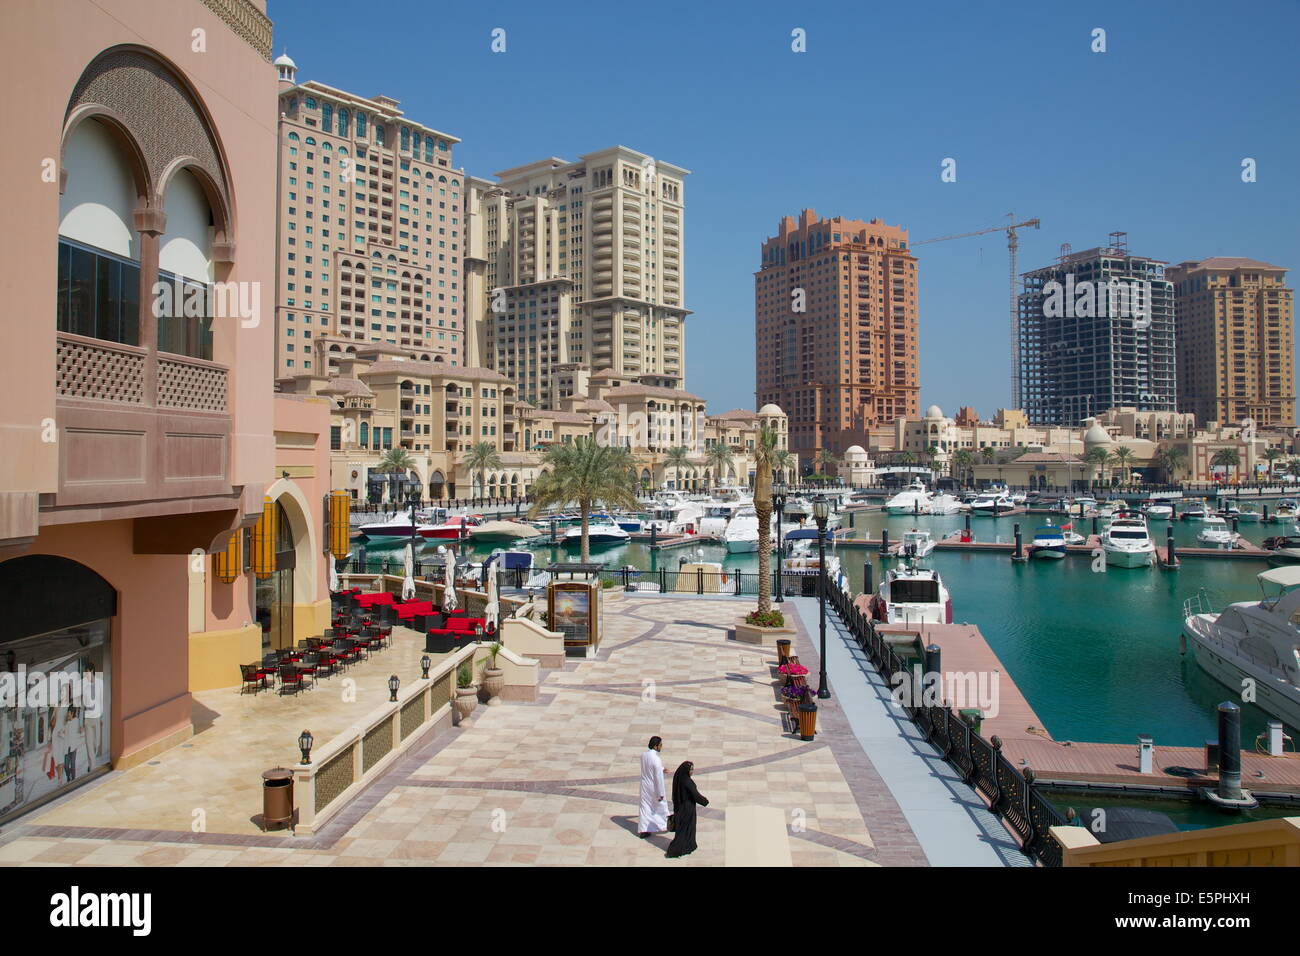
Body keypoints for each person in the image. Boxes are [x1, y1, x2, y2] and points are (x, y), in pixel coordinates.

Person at [665, 760, 709, 859]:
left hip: (681, 807)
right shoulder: (687, 782)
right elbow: (695, 795)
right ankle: (678, 849)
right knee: (687, 827)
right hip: (687, 808)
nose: (692, 771)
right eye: (691, 769)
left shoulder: (679, 778)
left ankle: (689, 845)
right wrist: (704, 801)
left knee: (684, 827)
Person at [637, 736, 667, 837]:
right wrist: (660, 794)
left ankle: (643, 830)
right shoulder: (656, 759)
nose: (661, 747)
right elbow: (658, 778)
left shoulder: (643, 755)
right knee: (660, 806)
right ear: (655, 746)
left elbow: (649, 766)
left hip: (644, 785)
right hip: (653, 786)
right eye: (660, 745)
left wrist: (661, 768)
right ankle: (663, 825)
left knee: (644, 807)